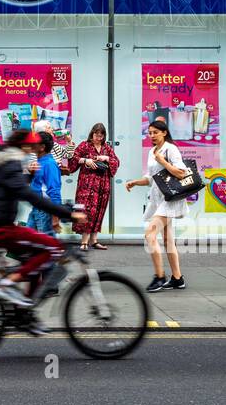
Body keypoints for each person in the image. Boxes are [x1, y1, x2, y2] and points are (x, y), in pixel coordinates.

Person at [0, 129, 86, 332]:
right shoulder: (11, 163)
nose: (32, 151)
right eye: (30, 147)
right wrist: (66, 214)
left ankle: (25, 314)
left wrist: (28, 175)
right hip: (0, 228)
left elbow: (14, 189)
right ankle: (7, 283)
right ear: (22, 146)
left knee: (36, 260)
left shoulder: (5, 159)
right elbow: (30, 196)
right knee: (51, 247)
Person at [124, 118, 189, 293]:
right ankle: (177, 278)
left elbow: (181, 173)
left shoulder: (171, 149)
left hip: (170, 200)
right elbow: (151, 178)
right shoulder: (152, 151)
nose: (152, 135)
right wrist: (135, 182)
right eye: (150, 132)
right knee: (168, 240)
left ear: (164, 133)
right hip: (158, 199)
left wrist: (163, 161)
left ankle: (159, 276)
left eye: (155, 132)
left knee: (150, 234)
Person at [66, 122, 118, 249]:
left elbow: (116, 161)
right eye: (96, 135)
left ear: (104, 136)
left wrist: (107, 158)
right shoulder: (85, 145)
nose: (98, 138)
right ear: (92, 133)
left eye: (101, 136)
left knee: (99, 210)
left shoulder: (107, 148)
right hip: (87, 185)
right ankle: (84, 241)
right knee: (87, 210)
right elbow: (73, 159)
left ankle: (94, 240)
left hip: (103, 185)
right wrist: (85, 160)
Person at [26, 130, 63, 235]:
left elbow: (54, 190)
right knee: (27, 240)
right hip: (37, 208)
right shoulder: (39, 162)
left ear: (42, 147)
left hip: (45, 211)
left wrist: (55, 216)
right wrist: (31, 173)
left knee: (48, 244)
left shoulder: (49, 164)